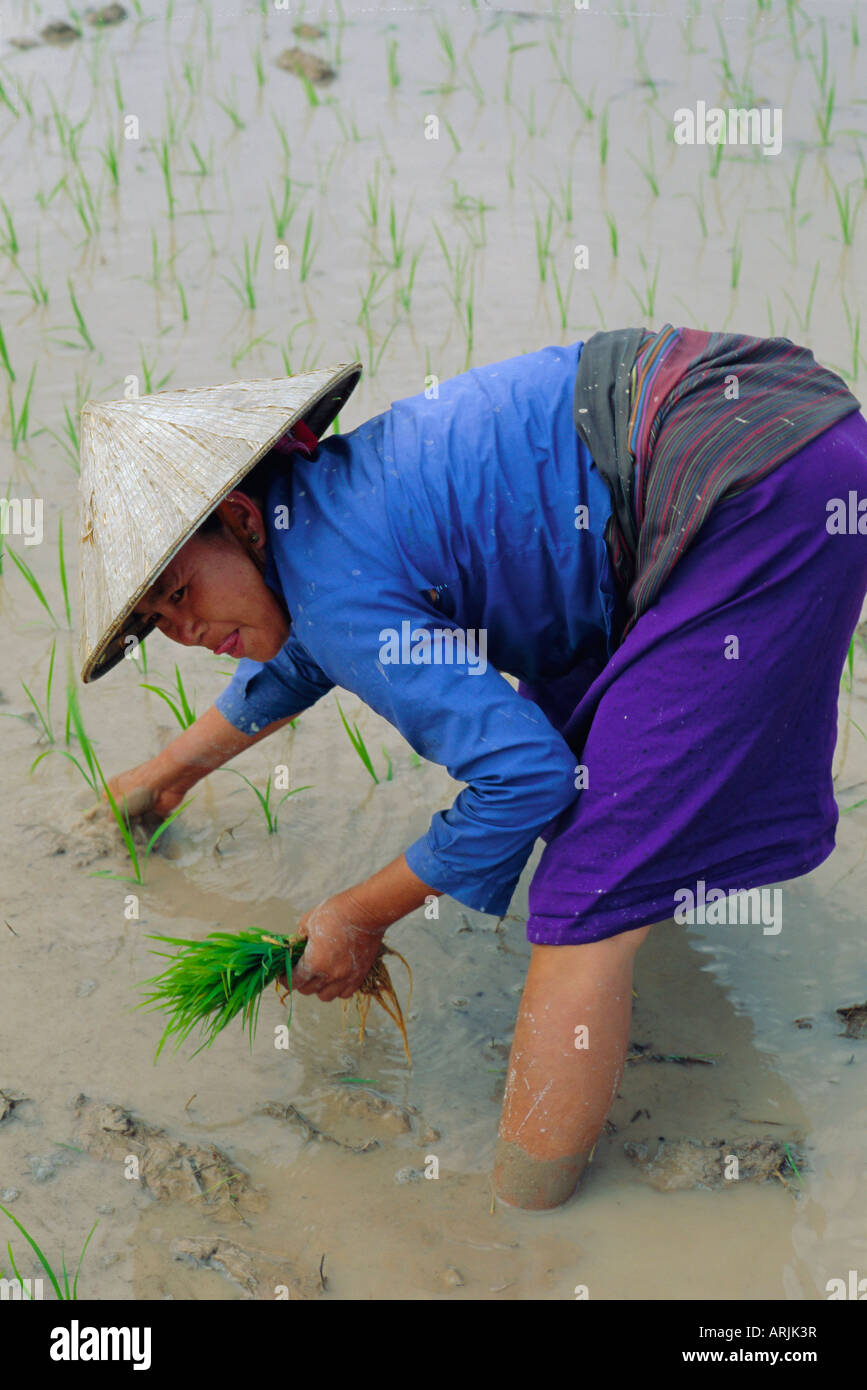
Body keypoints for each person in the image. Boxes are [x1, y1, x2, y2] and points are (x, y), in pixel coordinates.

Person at [79, 328, 866, 1210]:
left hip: (749, 484)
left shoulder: (331, 586)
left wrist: (358, 915)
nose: (182, 632)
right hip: (761, 423)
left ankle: (527, 1223)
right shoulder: (325, 517)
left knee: (582, 901)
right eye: (156, 621)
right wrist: (160, 782)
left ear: (242, 519)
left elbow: (521, 777)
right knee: (592, 765)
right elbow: (303, 650)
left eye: (181, 594)